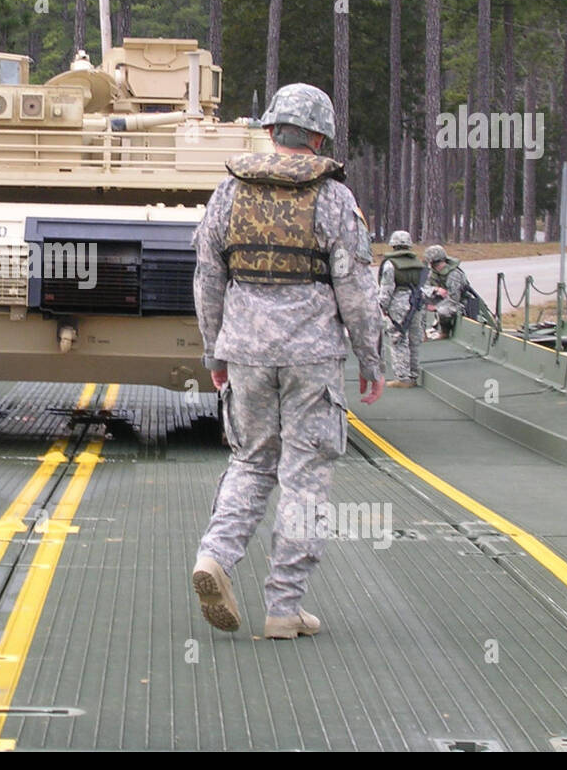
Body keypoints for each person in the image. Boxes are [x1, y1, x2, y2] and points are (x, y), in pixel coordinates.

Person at [190, 83, 384, 639]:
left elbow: (207, 277)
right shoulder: (334, 198)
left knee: (251, 463)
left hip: (245, 349)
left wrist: (214, 350)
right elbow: (354, 286)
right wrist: (371, 360)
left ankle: (216, 558)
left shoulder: (228, 192)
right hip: (311, 355)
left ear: (272, 130)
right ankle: (283, 606)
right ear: (320, 137)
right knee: (305, 476)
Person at [378, 230, 425, 388]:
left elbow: (387, 289)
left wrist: (382, 307)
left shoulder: (390, 264)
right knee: (414, 340)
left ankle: (402, 378)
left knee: (398, 340)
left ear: (393, 244)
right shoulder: (418, 263)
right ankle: (413, 374)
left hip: (398, 303)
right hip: (416, 303)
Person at [422, 245, 471, 338]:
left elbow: (454, 298)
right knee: (419, 303)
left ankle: (445, 332)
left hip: (459, 303)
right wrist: (435, 290)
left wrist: (436, 307)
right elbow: (424, 287)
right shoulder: (432, 272)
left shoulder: (454, 274)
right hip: (441, 299)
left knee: (443, 310)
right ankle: (422, 333)